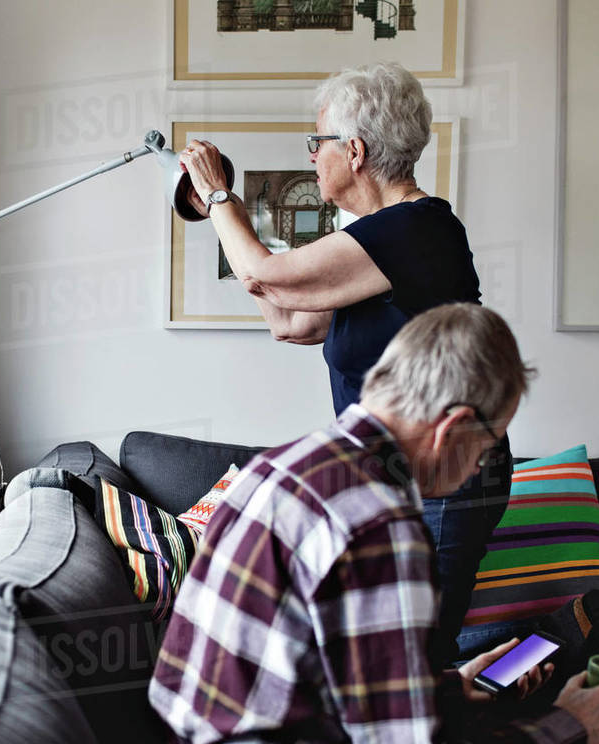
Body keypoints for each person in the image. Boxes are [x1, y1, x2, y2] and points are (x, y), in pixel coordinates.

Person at [149, 304, 599, 744]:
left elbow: (322, 685)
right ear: (451, 429)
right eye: (489, 446)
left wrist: (449, 688)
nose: (480, 468)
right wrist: (572, 725)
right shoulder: (379, 523)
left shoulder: (280, 467)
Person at [179, 62, 506, 665]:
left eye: (318, 142)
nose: (312, 156)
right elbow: (288, 321)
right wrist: (221, 217)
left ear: (353, 150)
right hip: (391, 480)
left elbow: (265, 275)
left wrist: (222, 197)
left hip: (444, 478)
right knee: (379, 650)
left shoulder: (416, 230)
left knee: (410, 654)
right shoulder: (381, 242)